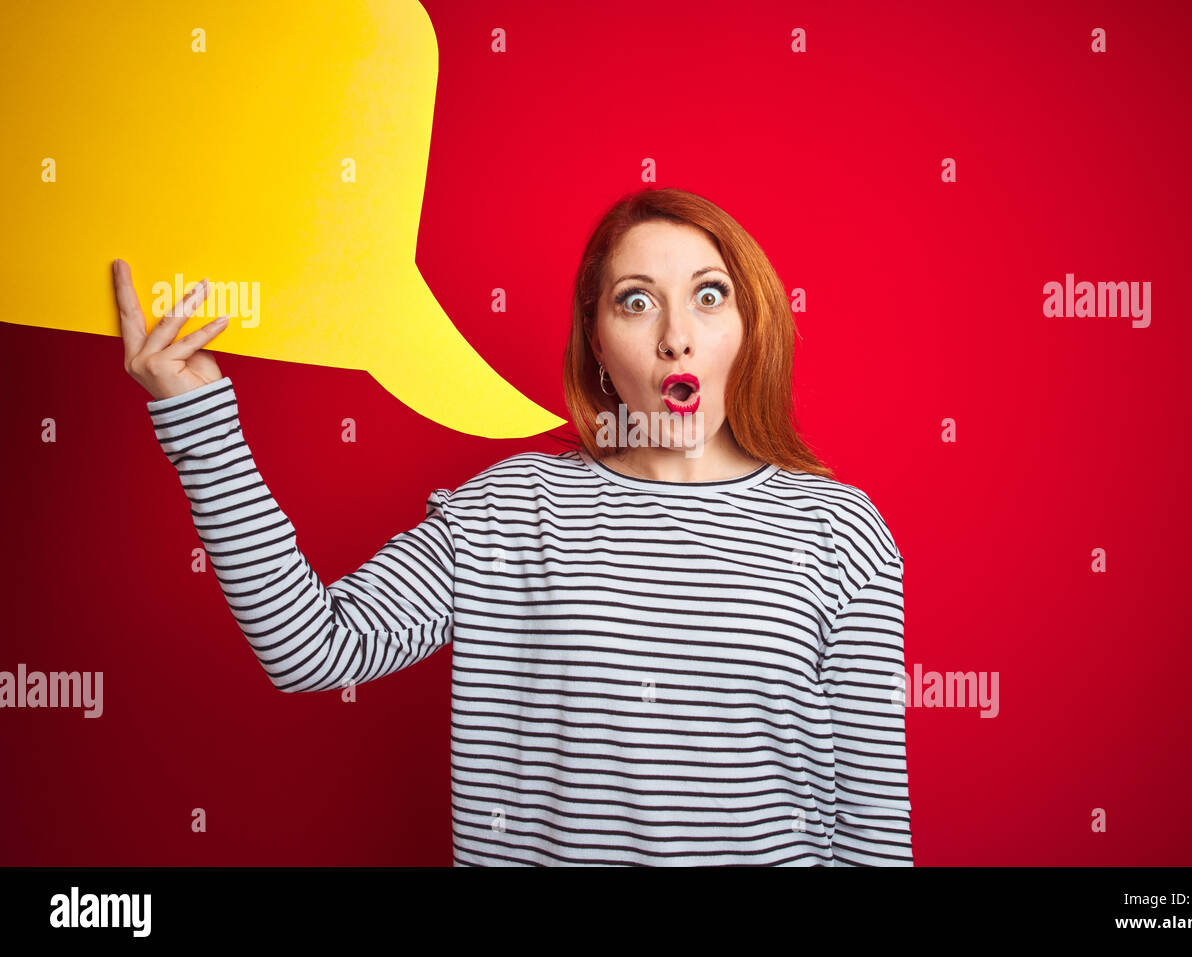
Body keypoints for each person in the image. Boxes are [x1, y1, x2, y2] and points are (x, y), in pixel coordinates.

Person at [113, 186, 912, 866]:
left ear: (750, 324)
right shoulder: (509, 512)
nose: (677, 332)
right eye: (637, 299)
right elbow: (311, 648)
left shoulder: (838, 529)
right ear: (598, 343)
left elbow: (874, 826)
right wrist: (196, 415)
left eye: (710, 294)